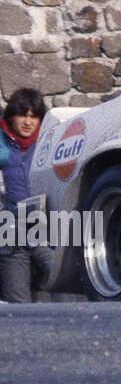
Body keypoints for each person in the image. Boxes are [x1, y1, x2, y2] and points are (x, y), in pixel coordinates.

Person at [0, 89, 53, 303]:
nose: (27, 122)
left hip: (45, 227)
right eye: (23, 115)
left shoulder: (49, 143)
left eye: (34, 116)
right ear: (11, 116)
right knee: (17, 301)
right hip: (10, 230)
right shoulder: (3, 144)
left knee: (53, 273)